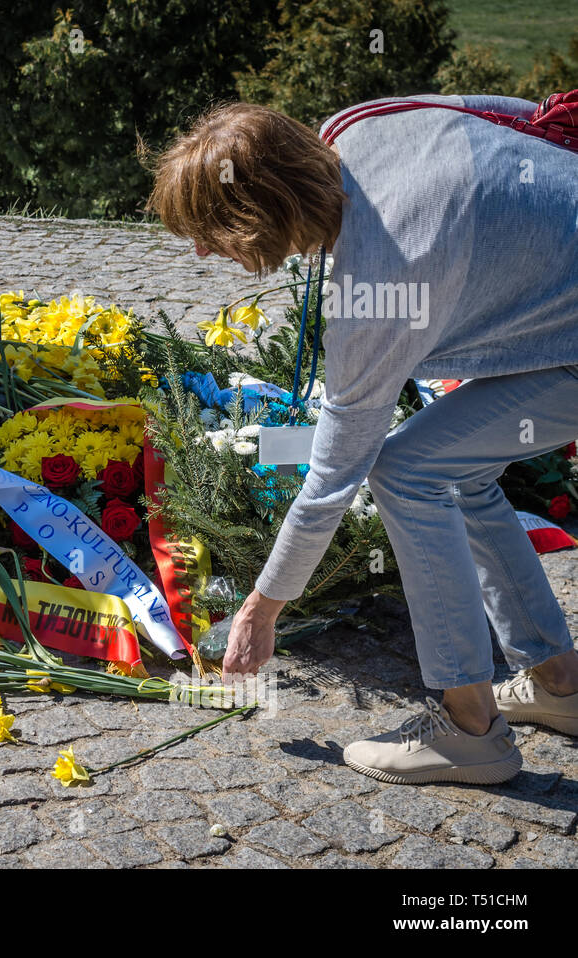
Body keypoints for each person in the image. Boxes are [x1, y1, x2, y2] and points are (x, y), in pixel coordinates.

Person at [146, 95, 578, 785]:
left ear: (256, 213)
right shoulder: (354, 127)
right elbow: (520, 115)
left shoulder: (382, 278)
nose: (202, 250)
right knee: (451, 469)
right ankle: (560, 683)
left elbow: (334, 477)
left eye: (210, 230)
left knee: (408, 472)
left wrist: (261, 609)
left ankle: (470, 732)